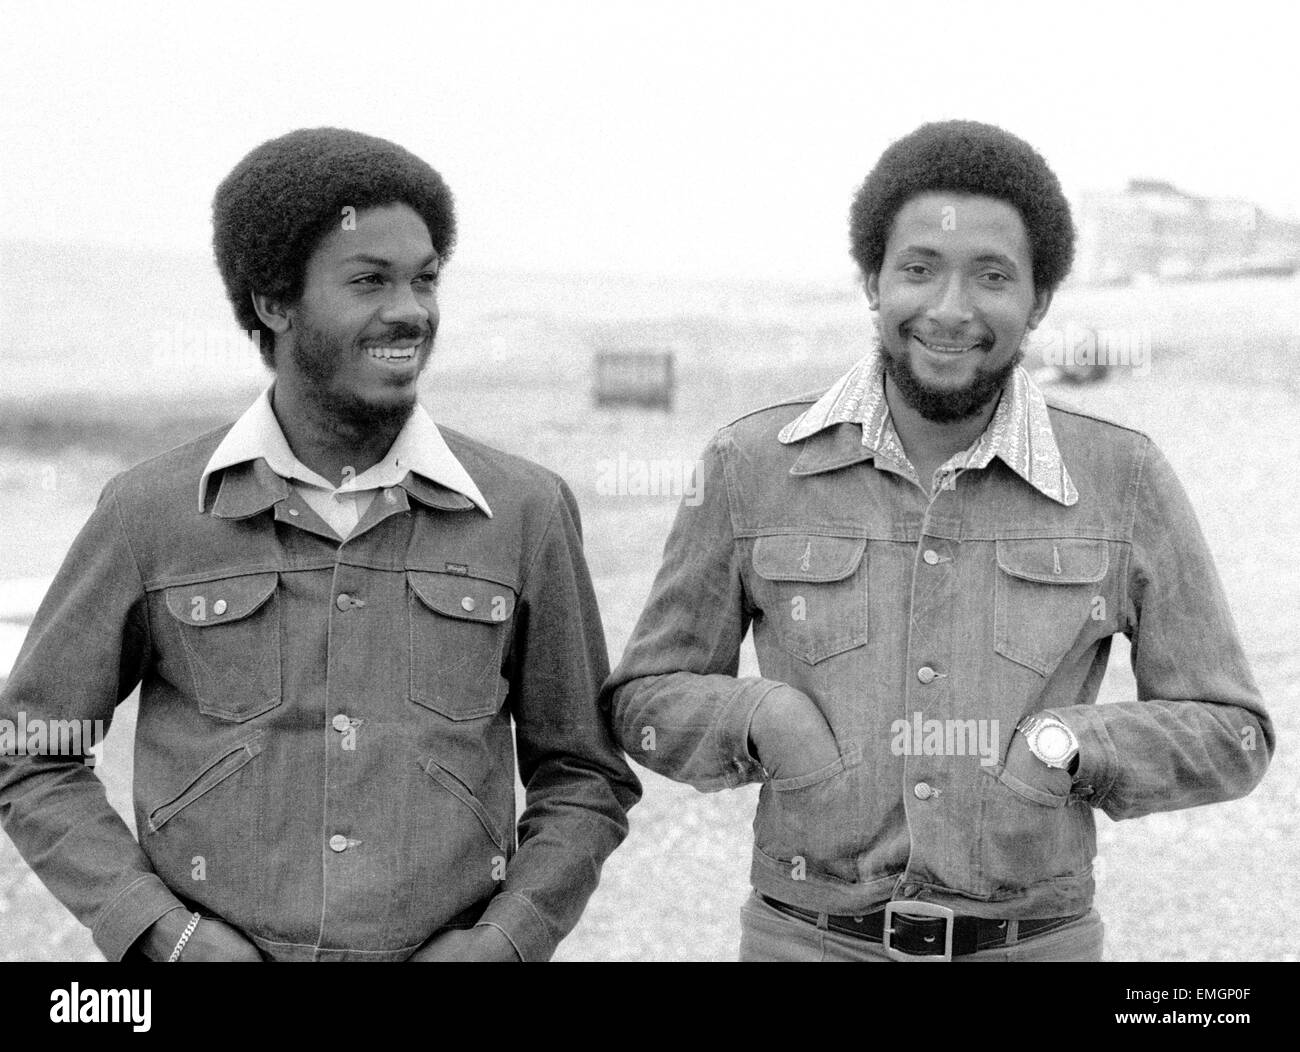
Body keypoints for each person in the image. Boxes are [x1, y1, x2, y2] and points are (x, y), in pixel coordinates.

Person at [601, 120, 1272, 961]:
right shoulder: (747, 466)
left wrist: (1066, 749)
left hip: (1035, 943)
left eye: (992, 276)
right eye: (919, 269)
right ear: (873, 282)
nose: (950, 310)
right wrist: (763, 717)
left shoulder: (1123, 477)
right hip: (802, 940)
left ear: (1040, 301)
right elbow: (642, 698)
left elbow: (1233, 737)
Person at [0, 127, 639, 962]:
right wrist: (166, 934)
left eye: (425, 279)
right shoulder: (147, 514)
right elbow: (32, 752)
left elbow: (586, 776)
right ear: (274, 302)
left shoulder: (526, 511)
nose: (410, 309)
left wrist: (507, 941)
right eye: (370, 280)